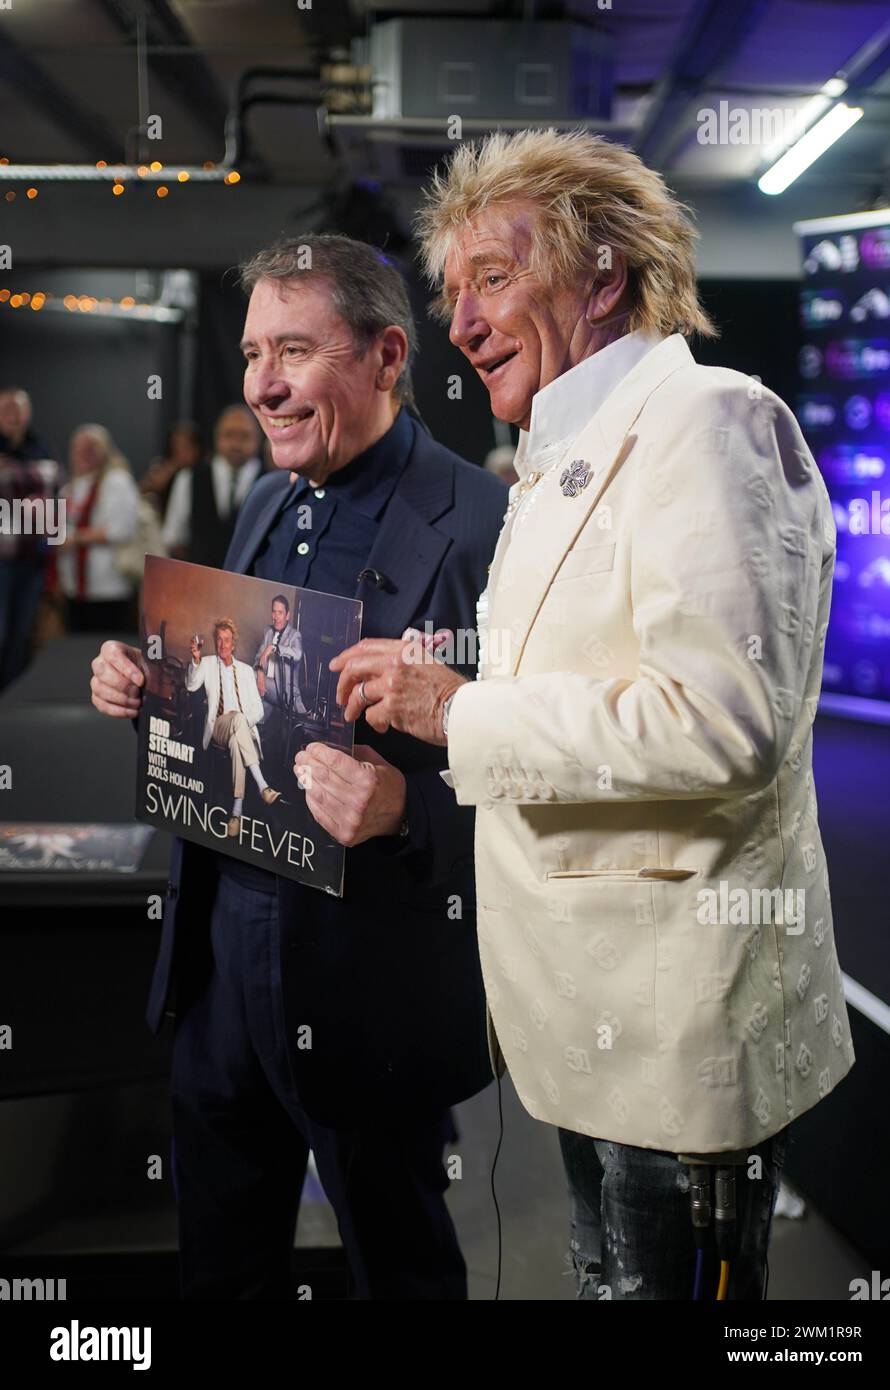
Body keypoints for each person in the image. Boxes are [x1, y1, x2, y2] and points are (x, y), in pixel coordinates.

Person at [329, 128, 856, 1301]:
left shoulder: (710, 420)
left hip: (675, 1044)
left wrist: (461, 713)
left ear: (605, 274)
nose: (460, 324)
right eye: (452, 291)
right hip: (592, 1030)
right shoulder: (563, 452)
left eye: (494, 279)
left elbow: (722, 719)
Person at [89, 232, 507, 1300]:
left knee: (399, 1270)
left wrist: (407, 807)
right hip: (221, 963)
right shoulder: (268, 500)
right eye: (249, 352)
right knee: (221, 1263)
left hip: (370, 980)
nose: (262, 386)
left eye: (293, 351)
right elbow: (238, 717)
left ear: (385, 356)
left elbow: (545, 783)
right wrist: (150, 692)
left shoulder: (482, 527)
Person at [186, 616, 279, 836]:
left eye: (226, 640)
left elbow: (258, 710)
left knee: (238, 740)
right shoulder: (207, 663)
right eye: (218, 640)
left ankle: (236, 813)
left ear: (233, 643)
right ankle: (262, 785)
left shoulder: (246, 671)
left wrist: (240, 722)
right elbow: (191, 685)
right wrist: (196, 660)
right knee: (237, 720)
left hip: (239, 729)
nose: (222, 645)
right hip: (218, 727)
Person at [0, 387, 60, 689]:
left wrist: (51, 546)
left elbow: (53, 504)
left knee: (21, 634)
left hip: (32, 561)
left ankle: (8, 697)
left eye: (19, 408)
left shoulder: (42, 449)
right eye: (7, 407)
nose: (14, 414)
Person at [57, 424, 140, 633]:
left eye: (91, 447)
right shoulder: (70, 487)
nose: (84, 454)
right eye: (79, 448)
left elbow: (120, 530)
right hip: (75, 587)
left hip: (110, 588)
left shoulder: (117, 482)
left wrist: (76, 538)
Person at [162, 405, 262, 566]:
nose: (236, 443)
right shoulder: (189, 478)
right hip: (200, 582)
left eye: (244, 435)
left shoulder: (276, 484)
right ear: (217, 437)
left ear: (258, 439)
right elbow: (174, 538)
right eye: (229, 435)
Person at [255, 592, 305, 720]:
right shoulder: (268, 633)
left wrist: (274, 648)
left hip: (284, 692)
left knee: (249, 675)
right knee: (257, 722)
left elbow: (297, 654)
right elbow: (258, 658)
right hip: (267, 687)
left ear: (287, 615)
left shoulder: (295, 635)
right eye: (274, 612)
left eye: (280, 612)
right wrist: (260, 673)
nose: (275, 617)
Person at [140, 420, 202, 516]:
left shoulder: (203, 471)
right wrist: (172, 467)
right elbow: (144, 488)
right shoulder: (163, 464)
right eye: (176, 445)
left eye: (185, 445)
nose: (180, 450)